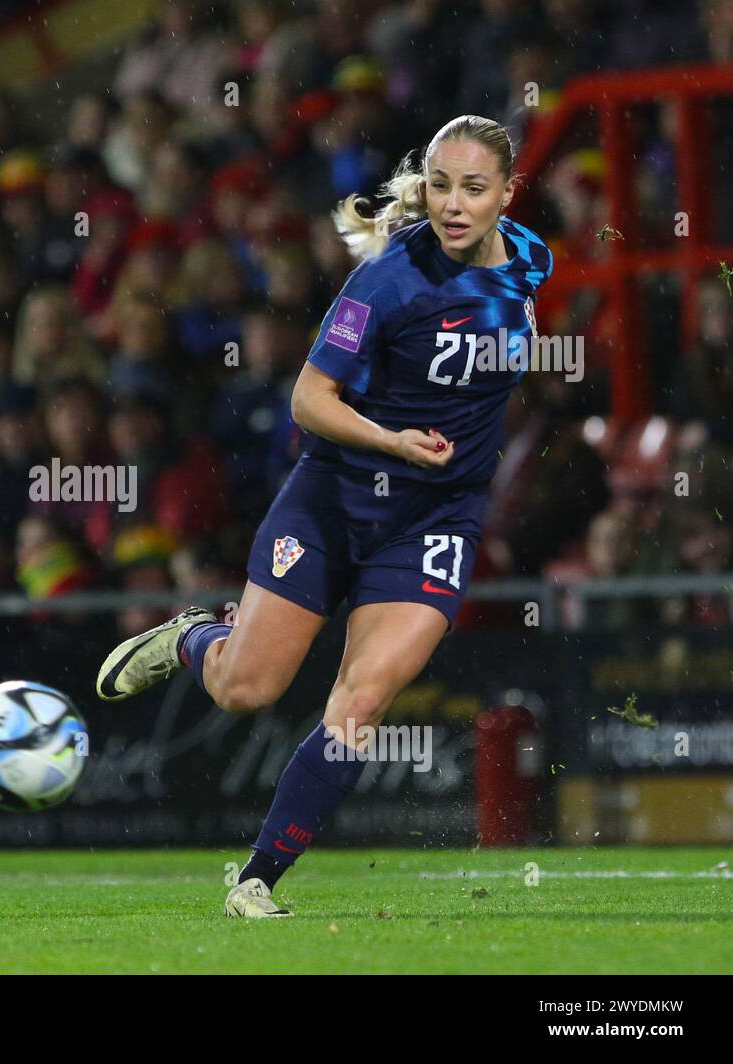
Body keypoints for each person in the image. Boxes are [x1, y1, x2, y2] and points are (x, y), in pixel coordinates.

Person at [95, 115, 553, 917]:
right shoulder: (387, 279)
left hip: (438, 518)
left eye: (474, 190)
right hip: (337, 497)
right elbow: (309, 399)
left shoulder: (533, 261)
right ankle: (192, 636)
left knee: (364, 699)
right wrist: (393, 440)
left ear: (508, 195)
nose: (452, 205)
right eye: (441, 185)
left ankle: (257, 881)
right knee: (246, 689)